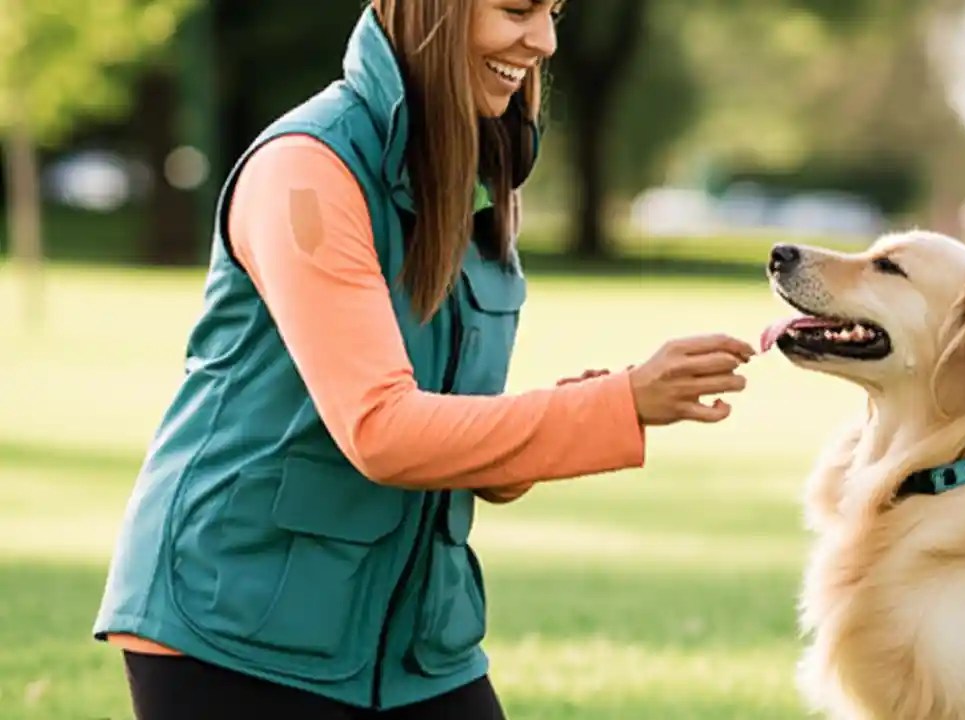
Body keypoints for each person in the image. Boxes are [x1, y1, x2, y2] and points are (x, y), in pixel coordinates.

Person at [91, 1, 754, 717]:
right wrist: (616, 404)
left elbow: (453, 438)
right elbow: (382, 432)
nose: (545, 40)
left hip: (415, 648)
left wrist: (590, 407)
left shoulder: (478, 173)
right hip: (233, 631)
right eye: (516, 8)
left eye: (554, 11)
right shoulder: (305, 171)